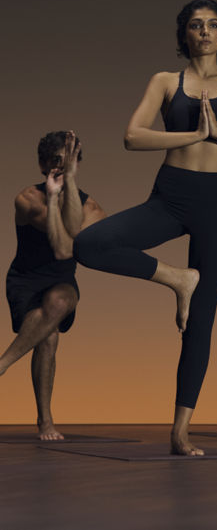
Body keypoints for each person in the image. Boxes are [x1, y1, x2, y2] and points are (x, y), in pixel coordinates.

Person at [74, 0, 217, 455]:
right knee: (90, 244)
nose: (205, 32)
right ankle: (176, 278)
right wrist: (192, 135)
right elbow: (134, 136)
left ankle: (180, 431)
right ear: (184, 35)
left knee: (201, 322)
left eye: (213, 25)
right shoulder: (165, 81)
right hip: (170, 196)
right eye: (196, 25)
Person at [2, 131, 105, 440]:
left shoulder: (94, 210)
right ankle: (45, 422)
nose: (63, 167)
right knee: (47, 339)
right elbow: (56, 234)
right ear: (42, 165)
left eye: (70, 161)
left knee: (60, 304)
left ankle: (3, 363)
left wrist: (69, 184)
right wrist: (52, 195)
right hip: (24, 280)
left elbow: (70, 242)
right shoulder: (27, 199)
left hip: (60, 281)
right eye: (57, 161)